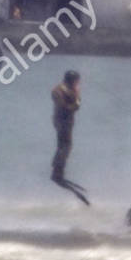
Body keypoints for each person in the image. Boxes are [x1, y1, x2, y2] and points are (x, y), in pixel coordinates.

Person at [50, 70, 88, 204]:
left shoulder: (68, 89)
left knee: (64, 145)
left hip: (66, 121)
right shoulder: (59, 90)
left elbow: (74, 105)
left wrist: (76, 96)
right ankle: (57, 172)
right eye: (77, 81)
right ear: (72, 80)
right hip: (62, 121)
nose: (78, 83)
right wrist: (77, 97)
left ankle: (57, 169)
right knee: (65, 145)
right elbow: (70, 107)